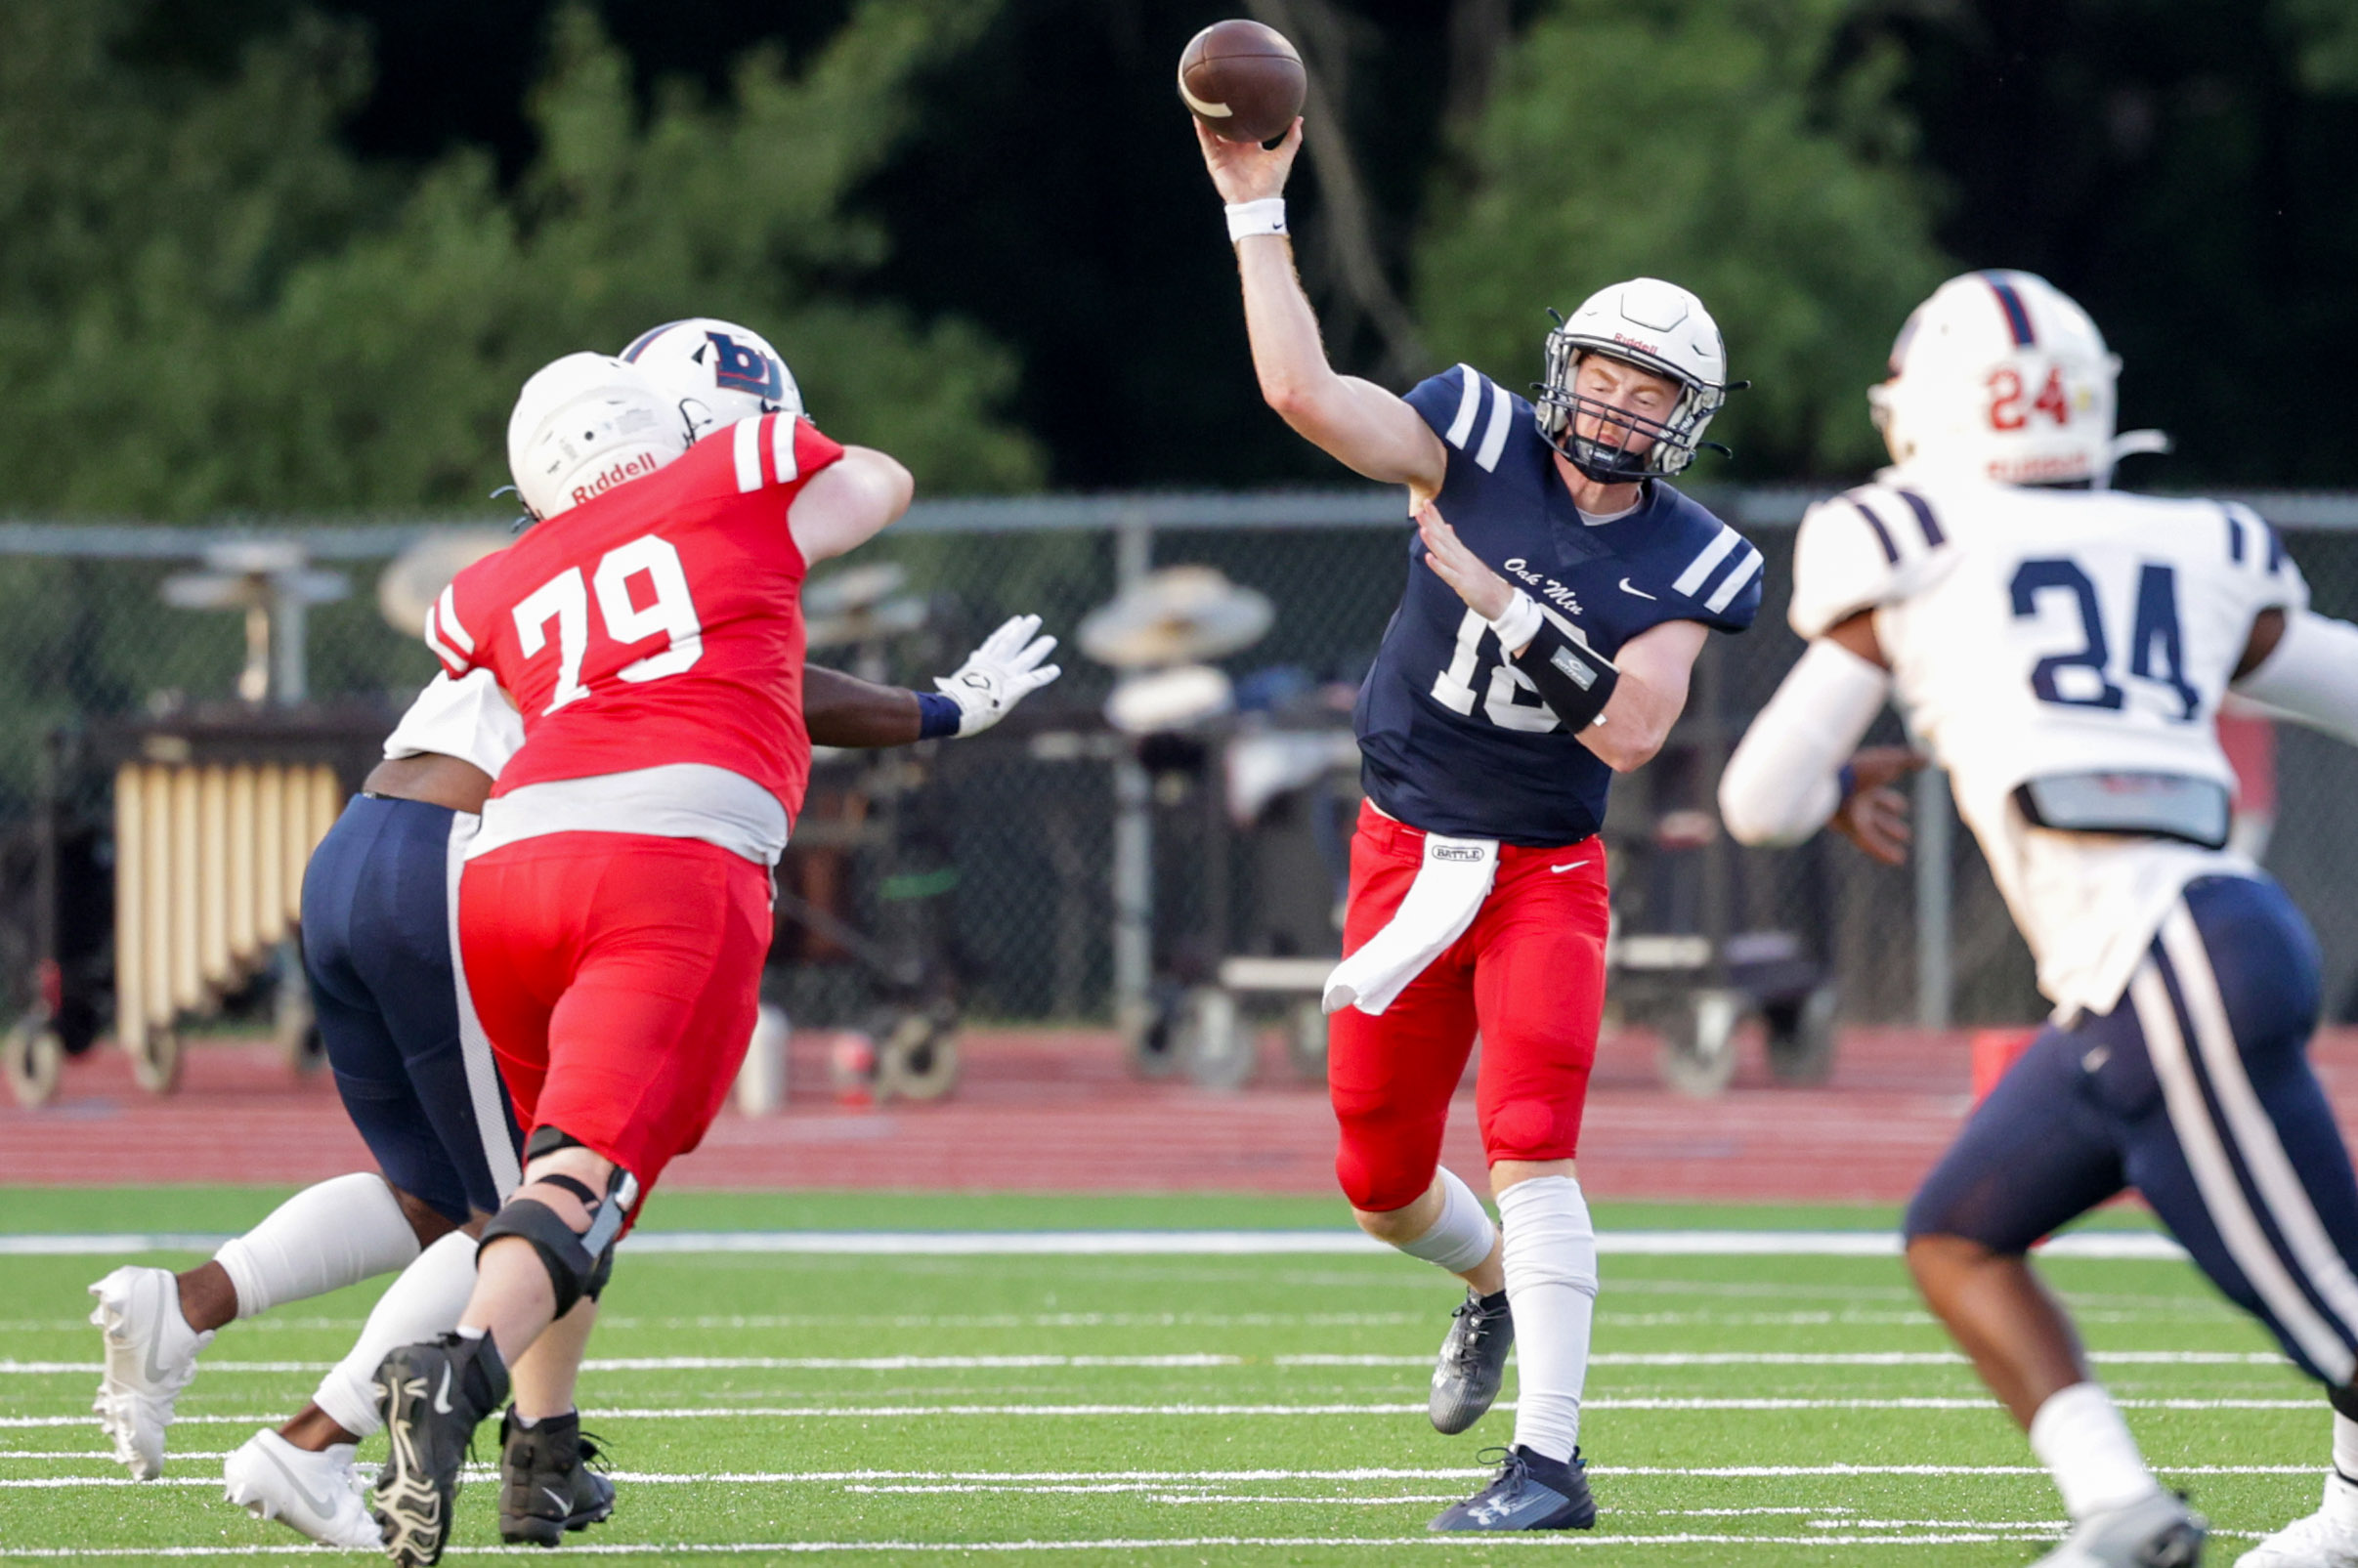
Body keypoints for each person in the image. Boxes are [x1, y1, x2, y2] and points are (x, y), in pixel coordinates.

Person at [86, 321, 1059, 1551]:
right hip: (493, 848)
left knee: (444, 1195)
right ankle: (316, 1442)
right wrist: (940, 708)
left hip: (380, 845)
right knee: (533, 1203)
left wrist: (930, 708)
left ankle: (204, 1314)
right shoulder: (718, 500)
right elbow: (768, 636)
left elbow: (718, 655)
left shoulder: (532, 557)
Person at [1718, 269, 2358, 1568]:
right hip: (2162, 970)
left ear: (1930, 412)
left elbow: (1759, 802)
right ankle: (2120, 1507)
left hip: (2164, 964)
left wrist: (1841, 780)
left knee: (2342, 1321)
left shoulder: (1907, 541)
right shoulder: (2198, 546)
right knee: (1956, 1234)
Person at [1194, 119, 1759, 1532]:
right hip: (1400, 854)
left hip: (1544, 873)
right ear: (1564, 367)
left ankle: (1547, 1465)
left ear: (1686, 417)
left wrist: (1506, 605)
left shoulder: (1695, 553)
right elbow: (1301, 390)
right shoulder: (1473, 430)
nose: (1617, 405)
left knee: (1531, 1141)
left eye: (1649, 389)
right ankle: (1488, 1282)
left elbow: (1633, 729)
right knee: (1378, 1179)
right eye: (1604, 373)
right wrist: (1256, 210)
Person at [364, 343, 910, 1567]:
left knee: (558, 1175)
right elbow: (880, 480)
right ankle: (457, 1375)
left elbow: (524, 626)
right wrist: (739, 457)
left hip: (508, 873)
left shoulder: (494, 578)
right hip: (667, 856)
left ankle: (542, 1457)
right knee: (584, 1180)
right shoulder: (728, 476)